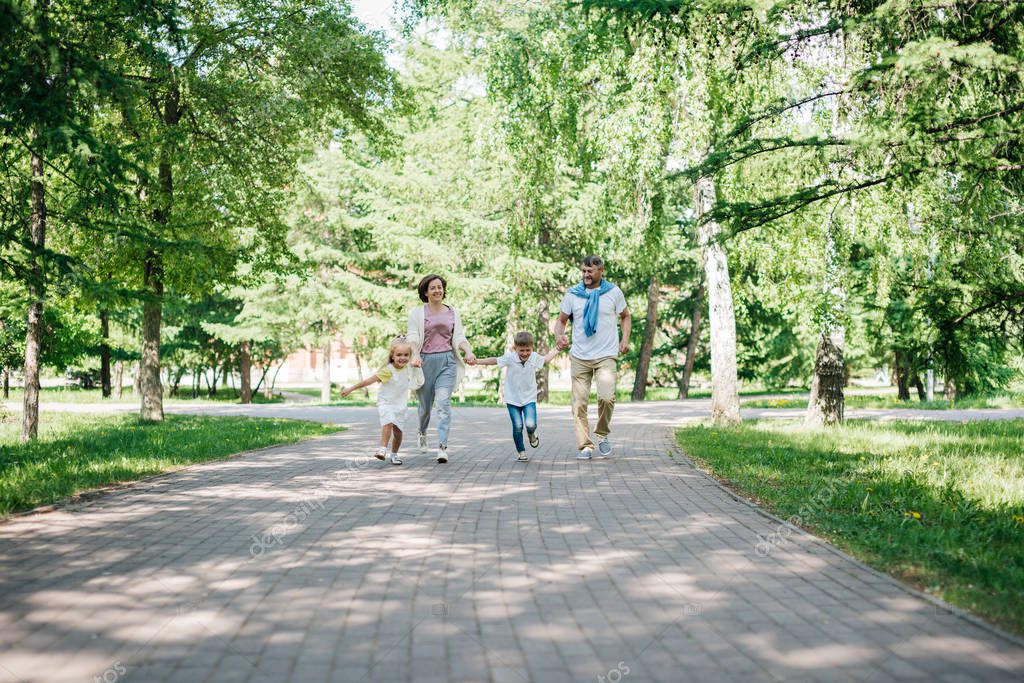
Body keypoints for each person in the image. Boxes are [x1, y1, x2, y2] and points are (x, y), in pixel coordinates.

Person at [554, 255, 630, 460]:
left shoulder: (613, 292)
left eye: (590, 271)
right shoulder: (573, 294)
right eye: (584, 271)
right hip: (580, 356)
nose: (586, 275)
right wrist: (558, 336)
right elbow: (561, 321)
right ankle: (585, 445)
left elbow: (625, 316)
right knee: (579, 404)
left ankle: (602, 433)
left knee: (607, 397)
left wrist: (625, 339)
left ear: (601, 271)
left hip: (606, 354)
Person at [407, 274, 477, 464]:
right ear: (425, 292)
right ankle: (422, 432)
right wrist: (415, 355)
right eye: (433, 288)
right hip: (424, 362)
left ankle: (442, 447)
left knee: (443, 403)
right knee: (425, 408)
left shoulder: (452, 312)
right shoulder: (417, 313)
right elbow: (412, 337)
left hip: (447, 362)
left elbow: (459, 337)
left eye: (440, 287)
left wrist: (468, 351)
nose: (437, 290)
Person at [470, 331, 563, 462]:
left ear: (532, 348)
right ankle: (521, 451)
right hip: (512, 398)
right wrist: (477, 361)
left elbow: (546, 359)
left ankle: (531, 433)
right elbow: (494, 360)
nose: (525, 353)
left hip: (529, 398)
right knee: (518, 426)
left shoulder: (534, 357)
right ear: (515, 348)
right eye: (521, 350)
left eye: (528, 350)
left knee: (531, 425)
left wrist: (558, 348)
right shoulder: (510, 358)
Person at [340, 337, 418, 466]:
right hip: (386, 402)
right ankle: (382, 449)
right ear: (392, 356)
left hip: (400, 405)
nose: (403, 358)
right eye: (399, 355)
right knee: (388, 422)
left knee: (398, 433)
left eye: (406, 355)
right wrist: (351, 389)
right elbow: (368, 381)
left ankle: (394, 454)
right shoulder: (387, 370)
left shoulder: (409, 368)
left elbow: (418, 376)